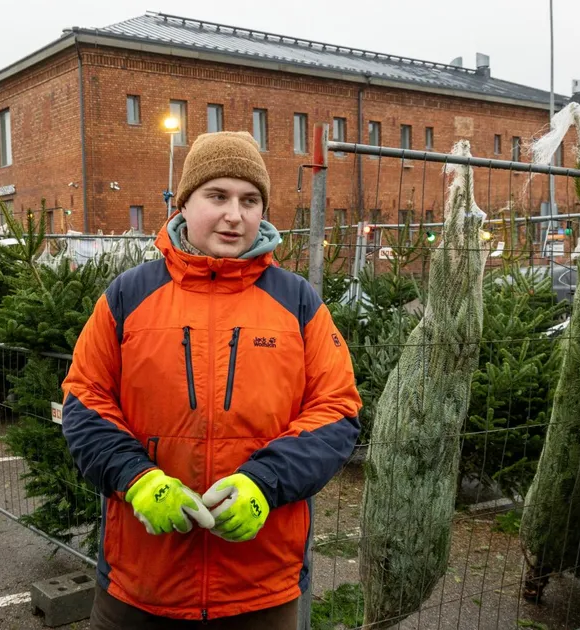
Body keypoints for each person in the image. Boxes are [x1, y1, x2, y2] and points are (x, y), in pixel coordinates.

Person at [62, 131, 362, 628]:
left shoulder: (297, 302)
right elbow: (83, 398)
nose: (234, 215)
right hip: (143, 581)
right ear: (184, 204)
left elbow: (338, 409)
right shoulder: (128, 295)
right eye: (217, 196)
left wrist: (264, 483)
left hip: (260, 587)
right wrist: (137, 480)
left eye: (250, 201)